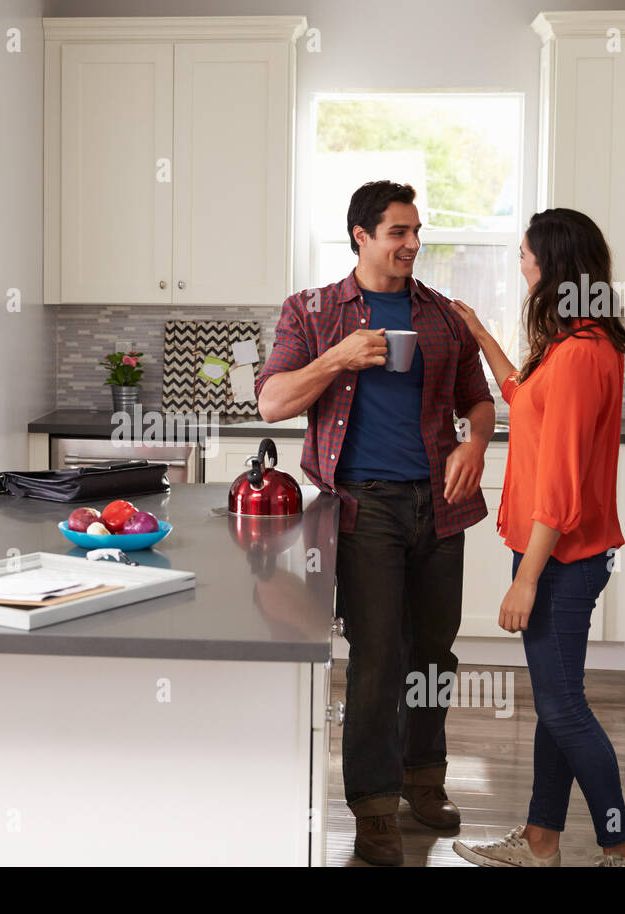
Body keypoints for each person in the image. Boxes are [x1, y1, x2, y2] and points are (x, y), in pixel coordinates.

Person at [255, 180, 496, 866]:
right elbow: (272, 401)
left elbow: (479, 402)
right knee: (377, 657)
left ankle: (425, 780)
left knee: (433, 653)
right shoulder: (311, 311)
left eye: (416, 231)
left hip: (440, 506)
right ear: (361, 235)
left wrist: (476, 444)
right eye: (398, 232)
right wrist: (337, 358)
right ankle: (372, 806)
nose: (412, 244)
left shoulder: (443, 315)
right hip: (364, 509)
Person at [448, 207, 625, 867]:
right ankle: (541, 841)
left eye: (526, 254)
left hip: (561, 560)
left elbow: (560, 485)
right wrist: (476, 332)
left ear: (553, 264)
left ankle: (620, 848)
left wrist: (526, 579)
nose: (521, 263)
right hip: (553, 554)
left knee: (563, 709)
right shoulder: (567, 345)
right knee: (559, 705)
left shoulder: (583, 355)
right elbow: (518, 392)